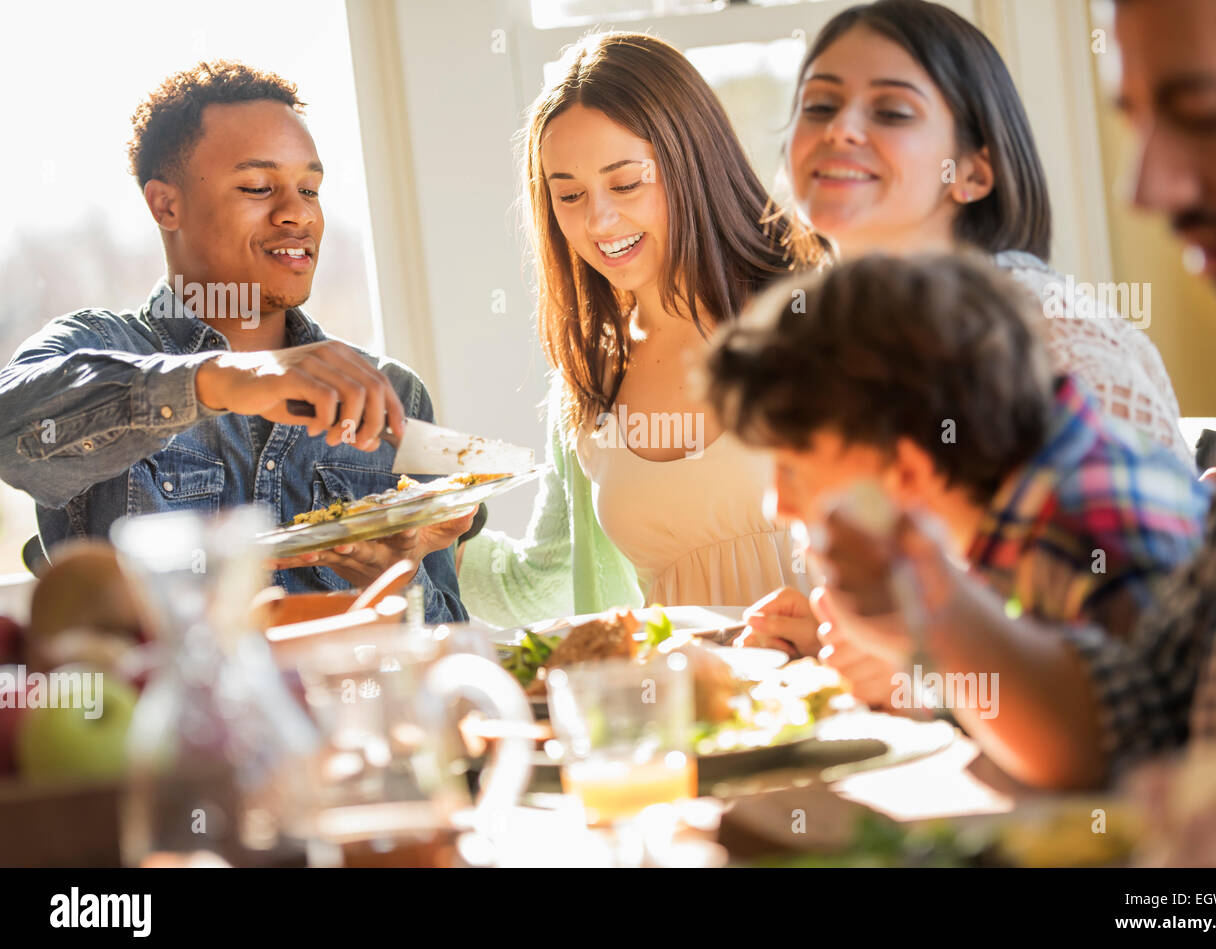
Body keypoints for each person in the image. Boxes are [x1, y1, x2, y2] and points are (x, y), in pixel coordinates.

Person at [810, 0, 1216, 865]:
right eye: (1139, 123)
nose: (1145, 189)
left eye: (1202, 111)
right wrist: (931, 610)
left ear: (974, 171)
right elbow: (1144, 708)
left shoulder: (1056, 337)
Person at [0, 61, 471, 622]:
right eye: (256, 187)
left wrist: (397, 585)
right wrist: (229, 378)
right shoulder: (96, 344)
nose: (298, 213)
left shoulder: (394, 393)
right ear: (165, 204)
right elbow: (13, 432)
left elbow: (452, 644)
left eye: (311, 189)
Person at [457, 32, 827, 626]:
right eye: (570, 194)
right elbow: (537, 585)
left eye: (626, 183)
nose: (599, 220)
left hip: (854, 698)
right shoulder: (589, 383)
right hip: (703, 710)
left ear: (693, 163)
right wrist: (433, 539)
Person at [706, 254, 1207, 660]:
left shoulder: (1082, 536)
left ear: (908, 469)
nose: (778, 505)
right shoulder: (1021, 509)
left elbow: (1101, 754)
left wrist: (924, 658)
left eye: (793, 468)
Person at [785, 0, 1188, 461]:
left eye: (893, 111)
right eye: (818, 105)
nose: (839, 129)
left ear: (973, 174)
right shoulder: (816, 334)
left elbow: (1156, 528)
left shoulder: (1051, 337)